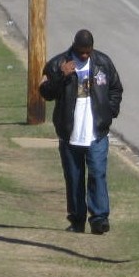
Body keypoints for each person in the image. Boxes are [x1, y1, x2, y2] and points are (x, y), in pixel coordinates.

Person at [39, 29, 123, 235]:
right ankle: (77, 220)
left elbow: (115, 88)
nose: (85, 56)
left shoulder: (103, 62)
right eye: (81, 52)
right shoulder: (58, 63)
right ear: (74, 47)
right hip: (70, 133)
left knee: (97, 173)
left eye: (88, 52)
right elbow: (45, 92)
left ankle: (99, 219)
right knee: (74, 177)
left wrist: (109, 112)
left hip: (96, 133)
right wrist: (61, 75)